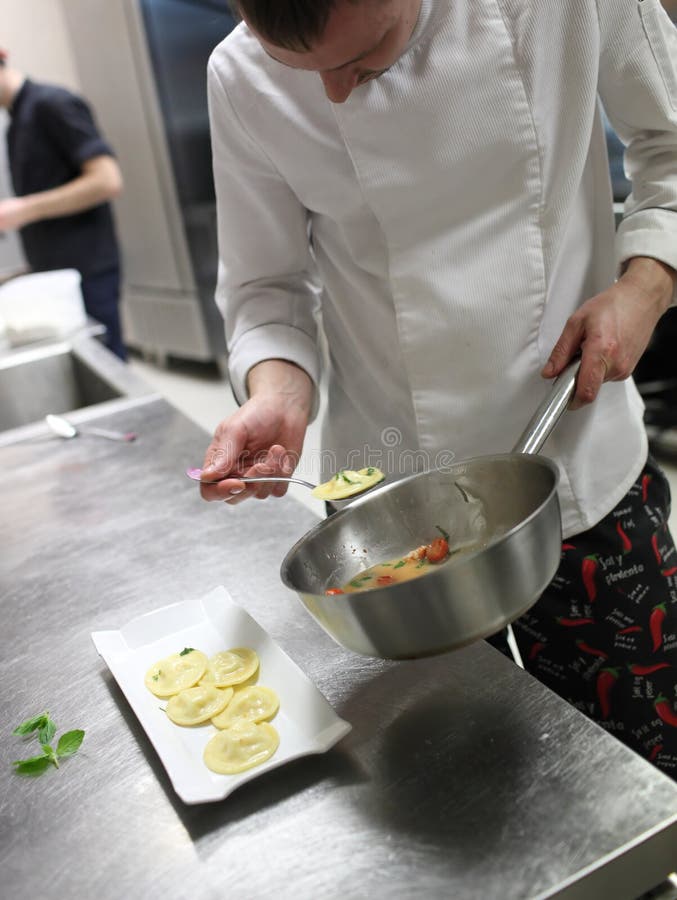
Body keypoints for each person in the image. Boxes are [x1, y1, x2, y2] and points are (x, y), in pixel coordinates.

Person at [199, 0, 677, 777]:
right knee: (450, 787)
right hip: (390, 505)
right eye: (305, 73)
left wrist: (645, 287)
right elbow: (267, 289)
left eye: (362, 57)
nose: (336, 96)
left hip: (576, 459)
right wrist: (278, 390)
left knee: (643, 762)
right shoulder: (238, 75)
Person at [0, 49, 126, 360]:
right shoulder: (16, 124)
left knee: (106, 366)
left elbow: (107, 180)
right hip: (54, 276)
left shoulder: (52, 104)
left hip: (87, 272)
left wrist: (22, 209)